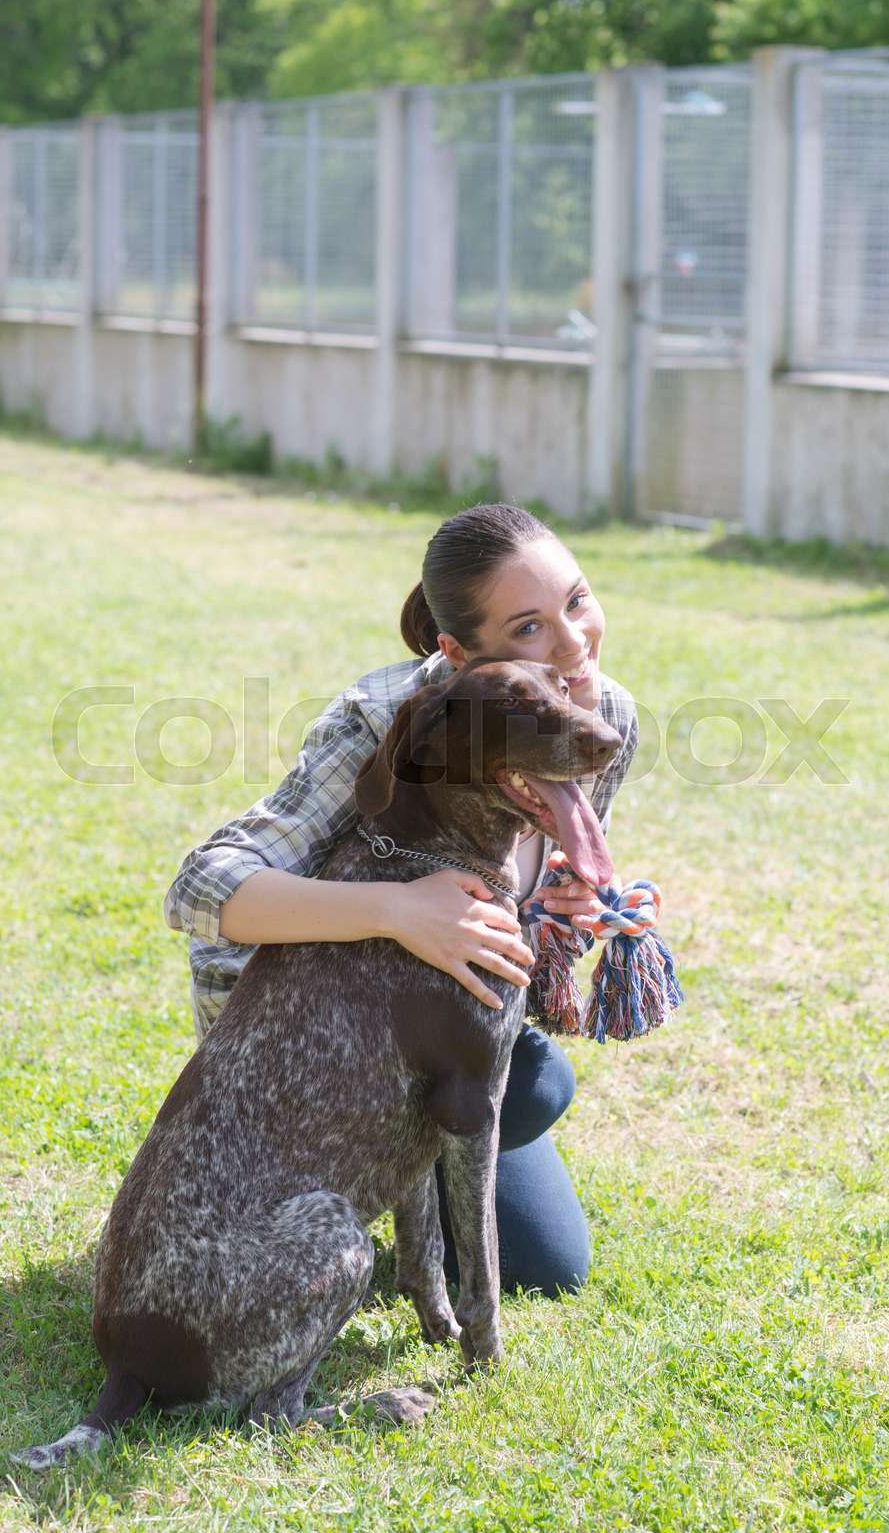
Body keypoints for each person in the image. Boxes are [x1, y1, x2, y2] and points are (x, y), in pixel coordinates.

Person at [164, 502, 639, 1297]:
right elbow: (204, 886)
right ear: (458, 652)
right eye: (527, 628)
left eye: (577, 601)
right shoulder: (387, 719)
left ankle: (373, 1192)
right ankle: (294, 1189)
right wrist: (396, 907)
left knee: (545, 1255)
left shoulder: (601, 715)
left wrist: (562, 909)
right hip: (304, 1044)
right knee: (527, 1089)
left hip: (432, 1017)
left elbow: (520, 887)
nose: (571, 643)